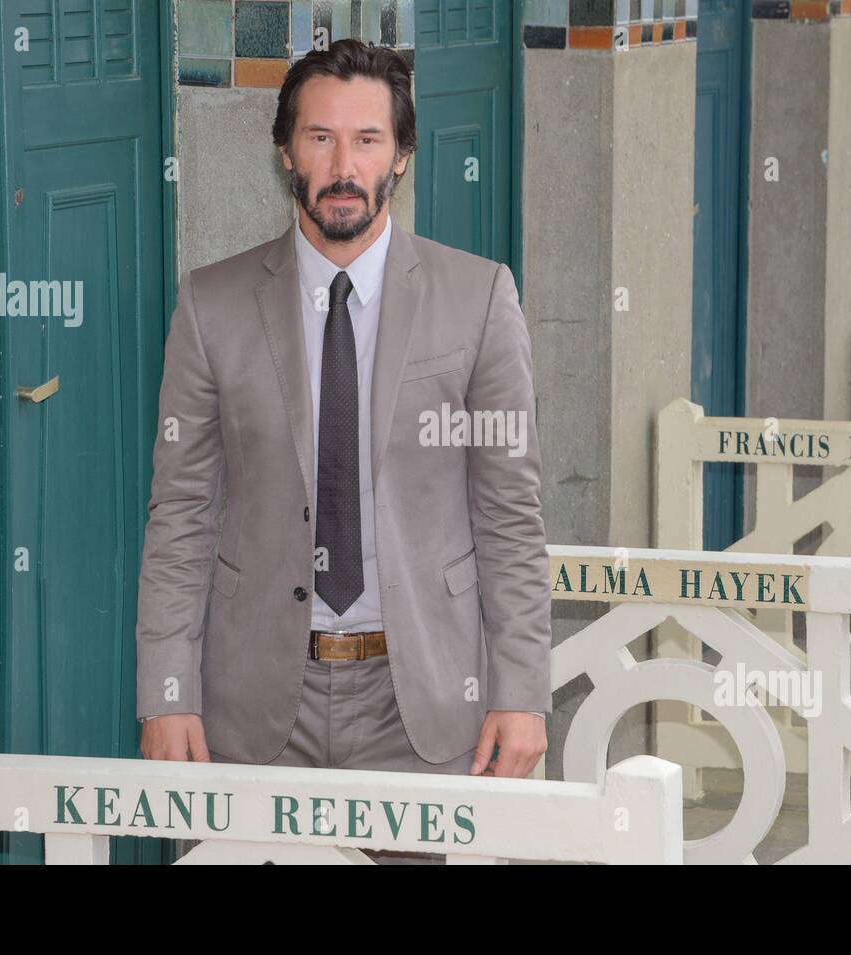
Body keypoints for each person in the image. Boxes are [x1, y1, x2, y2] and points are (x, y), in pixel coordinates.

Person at [134, 40, 552, 859]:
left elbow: (510, 515)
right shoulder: (211, 305)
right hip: (250, 704)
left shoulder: (480, 300)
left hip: (425, 701)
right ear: (285, 151)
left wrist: (522, 689)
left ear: (402, 155)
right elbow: (180, 513)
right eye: (320, 138)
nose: (343, 165)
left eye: (367, 140)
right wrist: (165, 691)